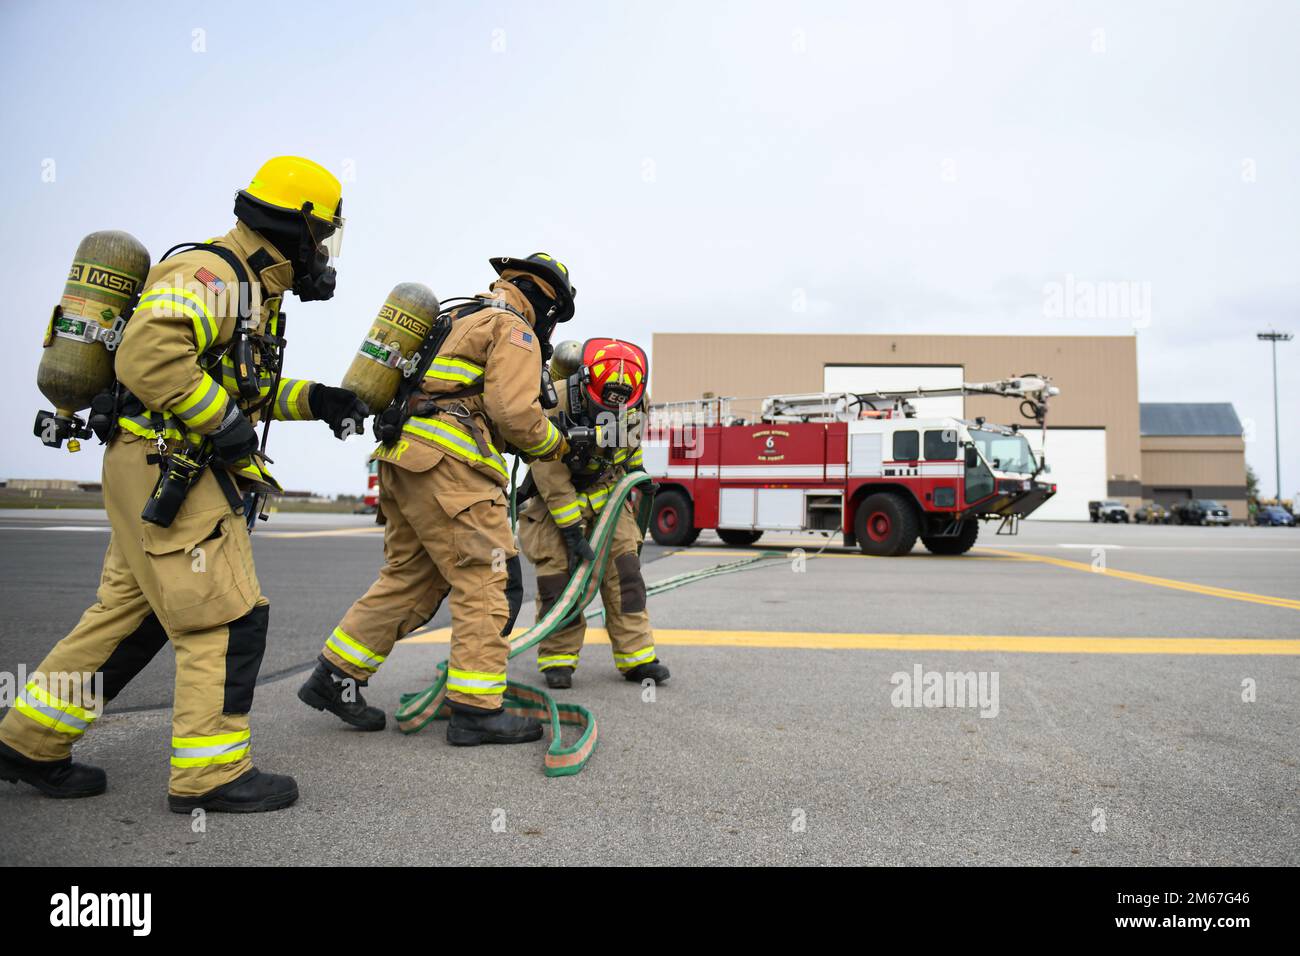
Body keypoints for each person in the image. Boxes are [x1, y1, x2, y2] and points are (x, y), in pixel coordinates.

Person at [0, 157, 367, 813]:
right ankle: (210, 776)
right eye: (324, 238)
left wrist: (320, 400)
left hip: (147, 464)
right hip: (167, 463)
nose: (323, 254)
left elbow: (242, 389)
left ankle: (29, 740)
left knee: (127, 618)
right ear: (301, 228)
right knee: (226, 617)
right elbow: (149, 355)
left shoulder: (251, 287)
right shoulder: (215, 274)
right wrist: (219, 421)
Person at [299, 253, 576, 745]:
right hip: (452, 471)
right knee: (485, 581)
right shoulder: (514, 329)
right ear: (546, 302)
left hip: (403, 461)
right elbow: (513, 413)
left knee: (412, 580)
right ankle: (476, 709)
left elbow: (470, 400)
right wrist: (555, 443)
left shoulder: (454, 317)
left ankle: (335, 675)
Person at [518, 338, 669, 689]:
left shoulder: (636, 403)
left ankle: (637, 657)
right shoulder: (552, 403)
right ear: (585, 384)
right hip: (556, 503)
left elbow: (628, 448)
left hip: (608, 497)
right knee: (559, 580)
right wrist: (571, 529)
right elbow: (549, 474)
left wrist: (638, 476)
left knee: (626, 575)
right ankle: (558, 660)